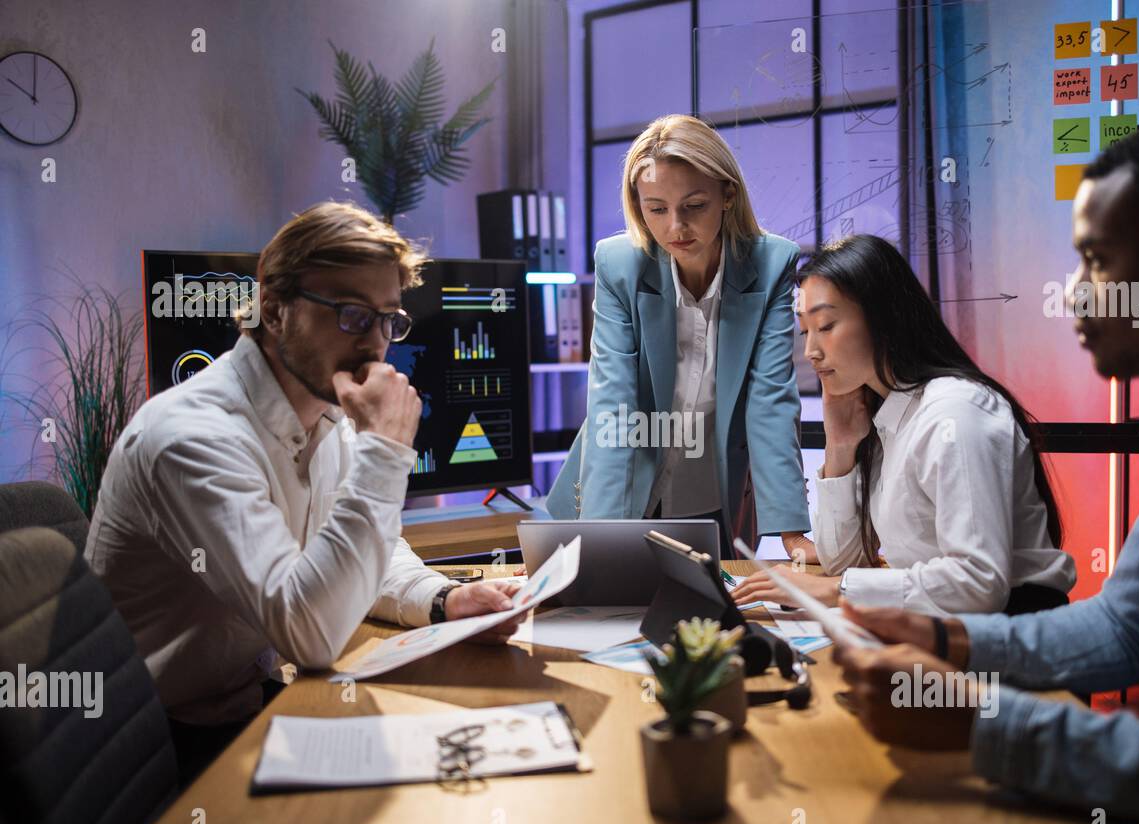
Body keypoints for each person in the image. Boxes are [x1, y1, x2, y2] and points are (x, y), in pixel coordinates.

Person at [833, 117, 1139, 824]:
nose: (1074, 296)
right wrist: (946, 639)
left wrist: (983, 721)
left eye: (1099, 262)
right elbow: (1124, 624)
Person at [87, 201, 523, 782]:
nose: (375, 343)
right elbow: (311, 634)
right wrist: (386, 451)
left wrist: (443, 599)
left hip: (252, 701)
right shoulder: (192, 439)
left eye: (387, 318)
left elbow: (367, 553)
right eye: (350, 314)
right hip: (159, 749)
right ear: (274, 309)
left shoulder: (325, 416)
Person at [732, 234, 1075, 614]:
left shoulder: (955, 413)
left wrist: (833, 590)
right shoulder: (887, 414)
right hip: (939, 630)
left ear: (884, 318)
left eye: (826, 325)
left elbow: (979, 584)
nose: (811, 351)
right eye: (805, 331)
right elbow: (843, 562)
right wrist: (841, 447)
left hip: (1009, 641)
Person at [546, 114, 811, 557]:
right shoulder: (619, 264)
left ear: (727, 194)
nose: (675, 228)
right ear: (638, 205)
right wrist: (599, 537)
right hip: (612, 491)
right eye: (657, 209)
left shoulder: (772, 264)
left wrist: (790, 531)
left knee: (701, 623)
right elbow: (613, 404)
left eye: (693, 206)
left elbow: (770, 402)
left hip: (708, 491)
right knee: (602, 617)